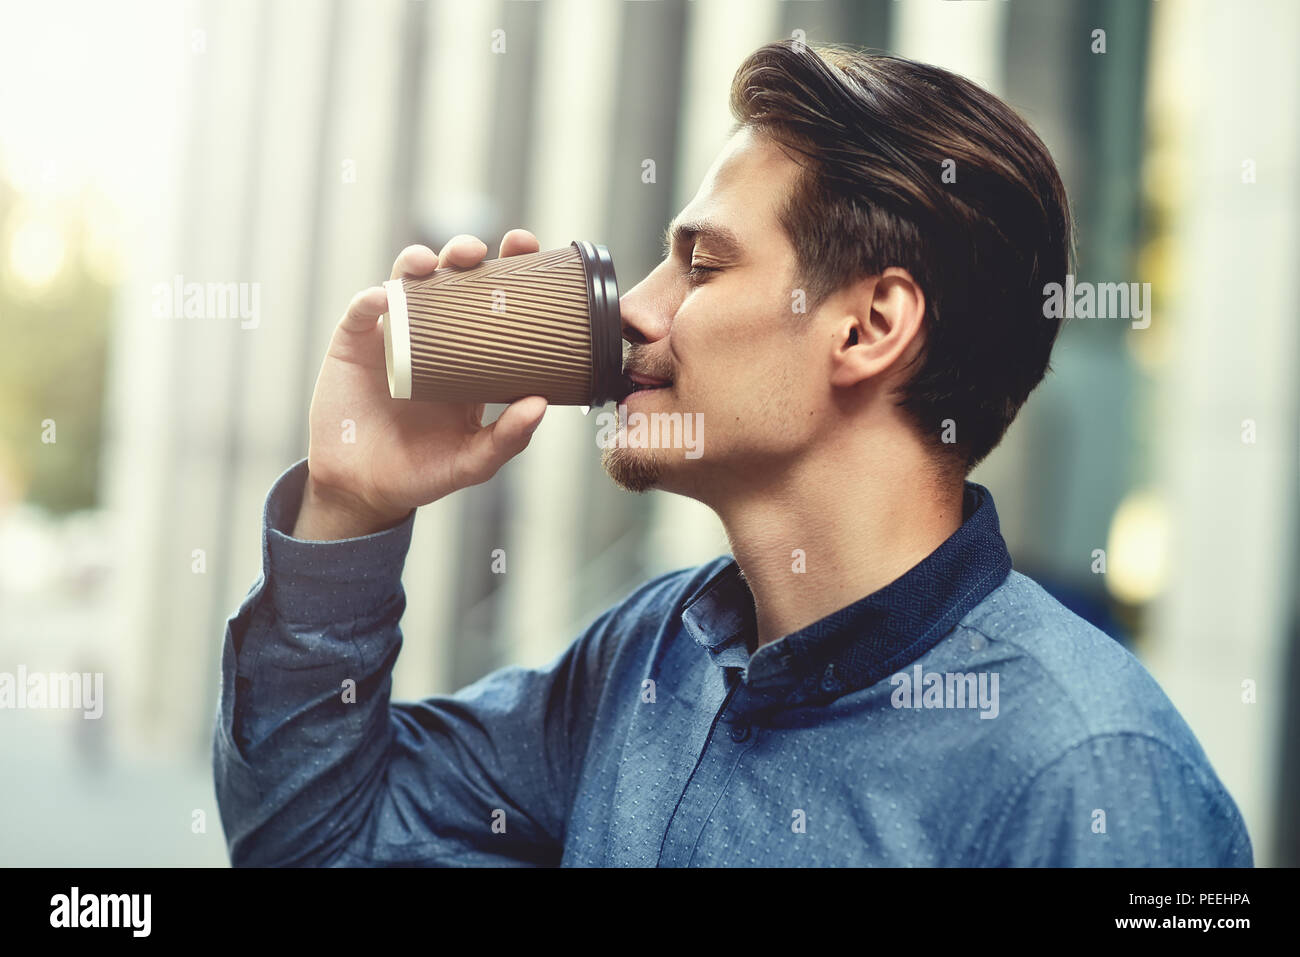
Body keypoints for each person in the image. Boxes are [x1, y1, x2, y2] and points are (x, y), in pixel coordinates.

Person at [212, 41, 1252, 866]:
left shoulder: (1093, 776)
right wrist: (350, 506)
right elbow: (317, 844)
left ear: (867, 326)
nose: (638, 313)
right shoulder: (648, 656)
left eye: (700, 266)